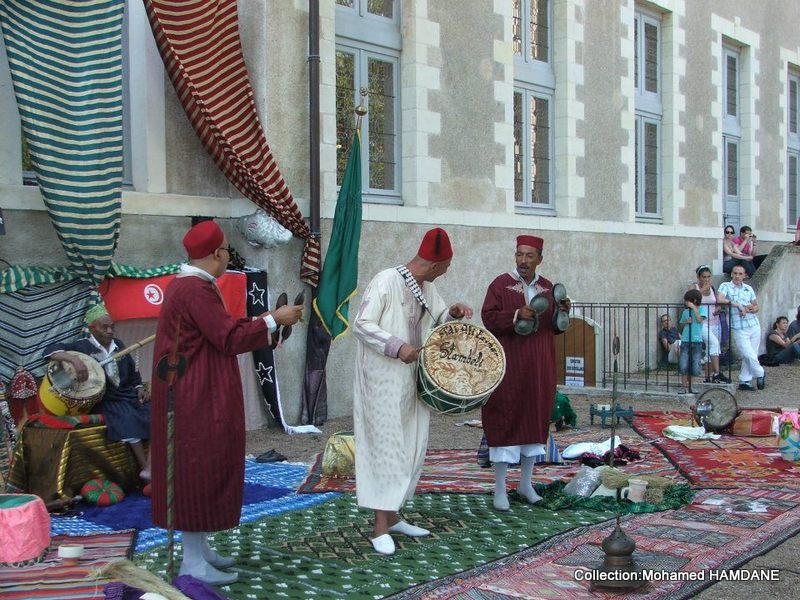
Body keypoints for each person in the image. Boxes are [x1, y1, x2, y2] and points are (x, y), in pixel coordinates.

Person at [149, 220, 302, 585]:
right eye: (225, 254)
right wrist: (271, 319)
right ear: (217, 254)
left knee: (205, 466)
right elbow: (227, 337)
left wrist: (264, 322)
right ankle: (191, 563)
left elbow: (220, 330)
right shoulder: (194, 290)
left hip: (197, 388)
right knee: (196, 470)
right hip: (193, 396)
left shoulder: (191, 285)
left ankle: (199, 551)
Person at [352, 227, 472, 557]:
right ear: (435, 264)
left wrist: (454, 313)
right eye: (446, 266)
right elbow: (361, 324)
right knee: (387, 448)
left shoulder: (427, 287)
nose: (446, 271)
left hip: (413, 379)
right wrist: (397, 346)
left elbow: (437, 320)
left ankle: (392, 518)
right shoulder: (386, 280)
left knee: (411, 445)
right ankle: (379, 527)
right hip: (382, 380)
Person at [481, 235, 570, 512]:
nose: (523, 260)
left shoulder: (547, 288)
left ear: (539, 258)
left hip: (540, 363)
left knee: (535, 419)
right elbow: (489, 317)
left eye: (529, 256)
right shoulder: (500, 284)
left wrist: (563, 312)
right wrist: (517, 313)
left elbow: (555, 327)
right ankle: (499, 489)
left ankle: (526, 484)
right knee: (505, 418)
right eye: (519, 254)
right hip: (509, 361)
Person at [44, 305, 152, 477]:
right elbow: (49, 351)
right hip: (106, 400)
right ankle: (145, 468)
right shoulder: (82, 347)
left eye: (112, 327)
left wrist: (139, 388)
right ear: (92, 328)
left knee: (155, 412)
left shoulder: (120, 345)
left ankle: (158, 464)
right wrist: (73, 360)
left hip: (127, 395)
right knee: (127, 416)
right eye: (104, 327)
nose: (109, 331)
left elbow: (133, 374)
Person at [717, 264, 765, 391]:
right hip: (739, 327)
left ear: (744, 276)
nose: (737, 276)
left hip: (753, 325)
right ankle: (760, 373)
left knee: (751, 354)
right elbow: (720, 299)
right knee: (748, 354)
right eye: (735, 273)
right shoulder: (725, 286)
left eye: (740, 274)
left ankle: (744, 380)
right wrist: (736, 304)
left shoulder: (748, 288)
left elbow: (756, 307)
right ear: (732, 274)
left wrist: (749, 309)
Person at [688, 265, 730, 383]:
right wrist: (701, 291)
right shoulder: (694, 287)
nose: (706, 279)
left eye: (708, 277)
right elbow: (689, 300)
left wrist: (718, 308)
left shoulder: (712, 288)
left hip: (714, 321)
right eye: (703, 277)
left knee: (711, 349)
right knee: (714, 343)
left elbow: (717, 302)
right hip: (701, 322)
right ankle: (717, 373)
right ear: (698, 277)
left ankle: (708, 377)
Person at [677, 289, 707, 395]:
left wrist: (694, 308)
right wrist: (686, 322)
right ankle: (684, 386)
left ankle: (692, 386)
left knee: (695, 363)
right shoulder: (685, 312)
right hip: (685, 340)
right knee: (683, 363)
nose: (686, 303)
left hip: (697, 340)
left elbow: (699, 320)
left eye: (687, 301)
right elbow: (681, 324)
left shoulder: (702, 309)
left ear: (693, 300)